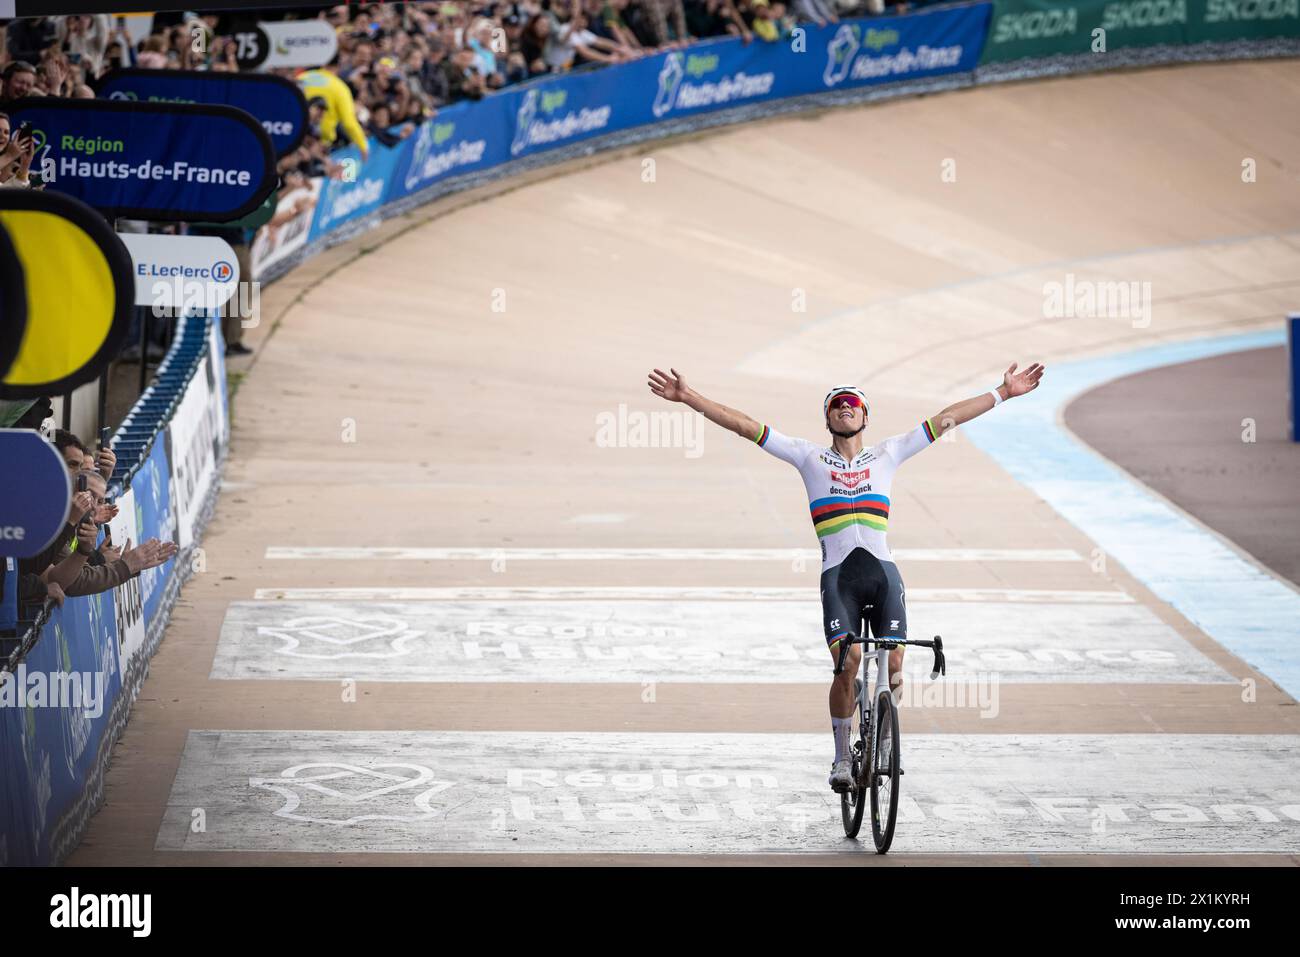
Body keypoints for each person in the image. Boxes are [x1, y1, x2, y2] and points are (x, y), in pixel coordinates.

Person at [647, 361, 1045, 792]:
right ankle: (840, 757)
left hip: (882, 573)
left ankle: (887, 739)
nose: (845, 408)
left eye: (853, 403)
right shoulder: (806, 455)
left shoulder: (890, 452)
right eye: (837, 405)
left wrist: (1002, 393)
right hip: (840, 578)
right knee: (847, 664)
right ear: (827, 419)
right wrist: (690, 398)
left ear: (866, 417)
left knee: (895, 661)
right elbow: (745, 425)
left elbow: (948, 418)